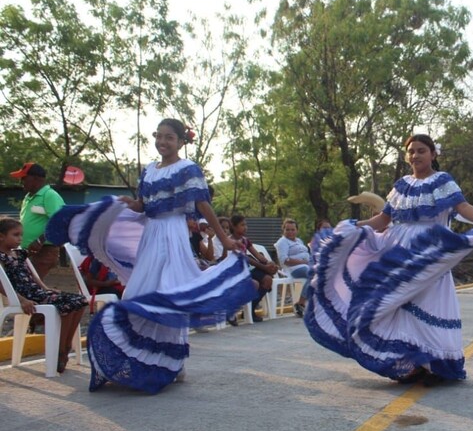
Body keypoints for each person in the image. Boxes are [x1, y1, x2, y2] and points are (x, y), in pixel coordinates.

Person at [46, 118, 257, 393]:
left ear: (181, 141)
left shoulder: (187, 169)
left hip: (173, 235)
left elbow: (203, 204)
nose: (163, 141)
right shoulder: (148, 171)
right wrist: (122, 205)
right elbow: (142, 206)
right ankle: (143, 362)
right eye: (159, 136)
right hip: (151, 235)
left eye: (169, 137)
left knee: (170, 295)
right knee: (137, 294)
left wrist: (225, 238)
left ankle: (174, 360)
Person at [304, 134, 473, 386]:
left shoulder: (443, 181)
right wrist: (354, 227)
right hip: (396, 253)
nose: (415, 155)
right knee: (395, 308)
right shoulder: (401, 186)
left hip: (429, 253)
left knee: (430, 306)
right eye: (411, 151)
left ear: (433, 154)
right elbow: (382, 221)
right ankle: (411, 363)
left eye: (421, 151)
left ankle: (434, 364)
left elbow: (462, 207)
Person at [0, 217, 87, 373]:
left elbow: (33, 277)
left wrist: (47, 288)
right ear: (1, 236)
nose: (20, 238)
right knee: (71, 304)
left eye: (21, 235)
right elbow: (2, 285)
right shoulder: (2, 257)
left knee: (80, 300)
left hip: (37, 292)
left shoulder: (19, 254)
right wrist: (21, 300)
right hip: (26, 296)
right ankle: (61, 351)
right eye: (15, 234)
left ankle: (64, 348)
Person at [10, 163, 65, 279]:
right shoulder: (28, 197)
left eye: (24, 178)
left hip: (44, 250)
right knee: (21, 284)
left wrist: (40, 241)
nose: (21, 181)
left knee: (31, 287)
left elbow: (60, 222)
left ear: (36, 178)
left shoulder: (50, 195)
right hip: (26, 250)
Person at [230, 214, 278, 322]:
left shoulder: (245, 240)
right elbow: (246, 258)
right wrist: (264, 267)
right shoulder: (230, 241)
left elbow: (257, 255)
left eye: (246, 224)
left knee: (267, 280)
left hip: (248, 270)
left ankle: (251, 309)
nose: (245, 227)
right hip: (238, 271)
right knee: (256, 282)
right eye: (242, 225)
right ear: (233, 226)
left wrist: (270, 263)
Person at [274, 218, 312, 317]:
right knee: (313, 274)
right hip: (293, 268)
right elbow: (285, 260)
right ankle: (301, 302)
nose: (290, 232)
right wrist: (303, 262)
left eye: (293, 229)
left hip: (305, 266)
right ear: (283, 230)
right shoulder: (282, 242)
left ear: (297, 230)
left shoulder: (299, 240)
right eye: (287, 230)